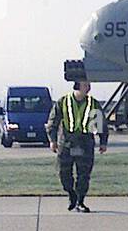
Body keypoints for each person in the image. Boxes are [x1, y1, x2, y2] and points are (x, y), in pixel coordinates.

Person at [46, 80, 107, 211]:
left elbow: (101, 124)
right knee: (64, 173)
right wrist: (52, 140)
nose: (88, 87)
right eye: (85, 85)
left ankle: (80, 201)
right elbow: (52, 122)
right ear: (77, 86)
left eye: (89, 85)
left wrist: (103, 142)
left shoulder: (93, 103)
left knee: (84, 175)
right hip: (66, 144)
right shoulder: (63, 102)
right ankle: (71, 194)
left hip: (85, 144)